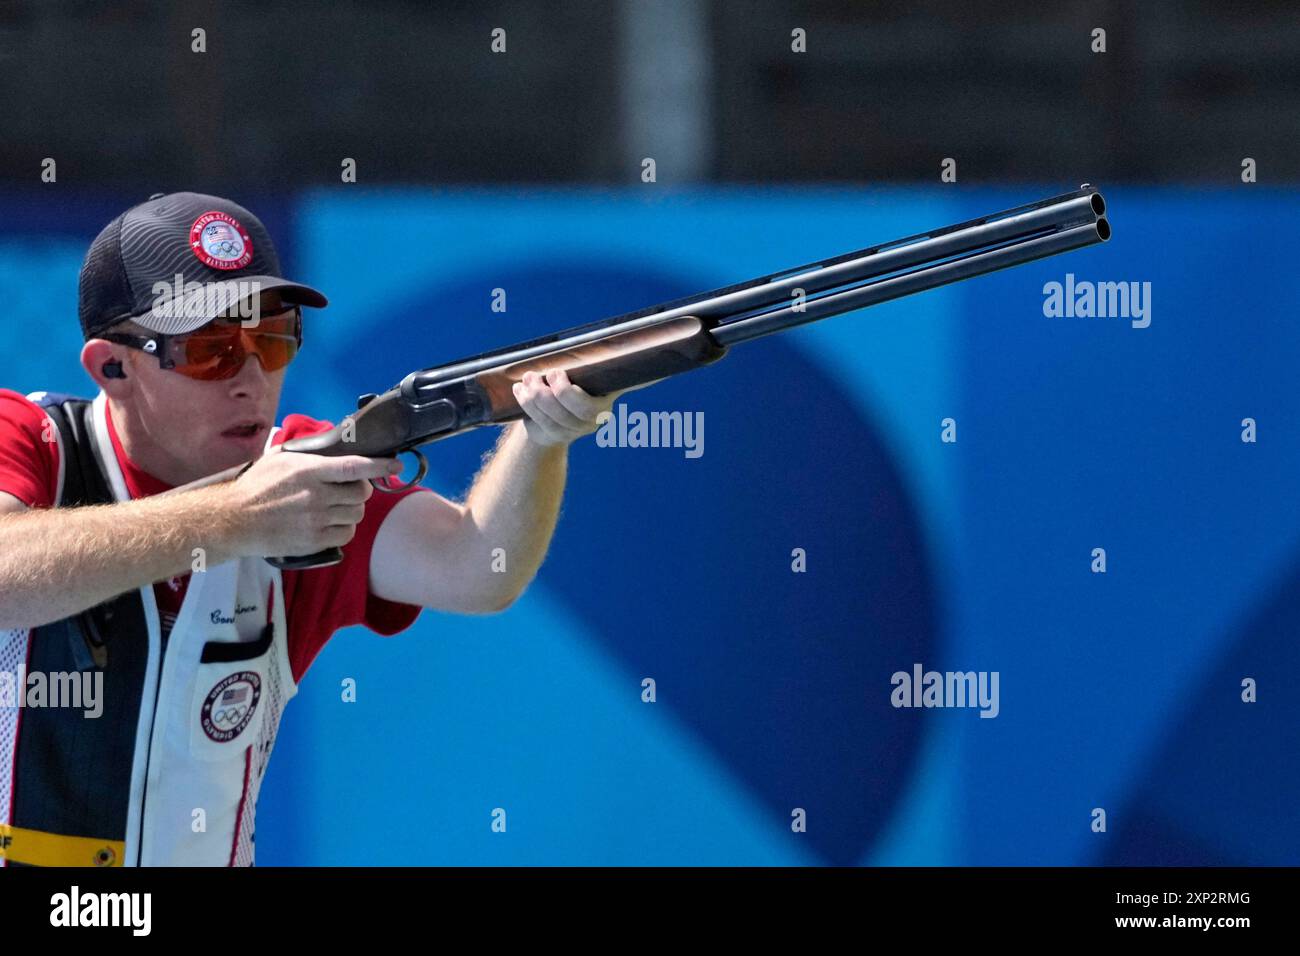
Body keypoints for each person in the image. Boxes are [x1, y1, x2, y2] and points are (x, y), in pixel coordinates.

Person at [0, 192, 620, 866]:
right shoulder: (30, 440)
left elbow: (476, 568)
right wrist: (232, 520)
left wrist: (541, 439)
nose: (251, 379)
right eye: (212, 350)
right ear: (112, 368)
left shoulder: (299, 477)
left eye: (272, 340)